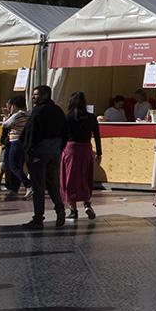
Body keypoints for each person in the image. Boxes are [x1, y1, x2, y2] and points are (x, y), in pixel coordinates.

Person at [21, 85, 68, 230]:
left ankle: (38, 218)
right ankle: (60, 208)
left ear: (45, 95)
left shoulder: (39, 111)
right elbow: (65, 131)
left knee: (38, 186)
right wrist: (59, 148)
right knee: (53, 183)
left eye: (36, 95)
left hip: (38, 152)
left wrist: (28, 151)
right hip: (54, 151)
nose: (33, 97)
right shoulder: (58, 111)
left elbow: (30, 132)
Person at [61, 92, 101, 221]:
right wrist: (99, 152)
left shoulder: (68, 117)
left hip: (71, 149)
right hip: (86, 149)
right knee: (85, 177)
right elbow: (97, 135)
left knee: (69, 179)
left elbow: (63, 136)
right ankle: (87, 203)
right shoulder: (91, 117)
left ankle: (73, 210)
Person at [2, 96, 30, 198]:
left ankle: (28, 184)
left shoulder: (17, 115)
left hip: (15, 141)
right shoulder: (27, 114)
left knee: (13, 165)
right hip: (23, 142)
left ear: (14, 106)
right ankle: (15, 189)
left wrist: (6, 116)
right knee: (18, 165)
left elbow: (5, 125)